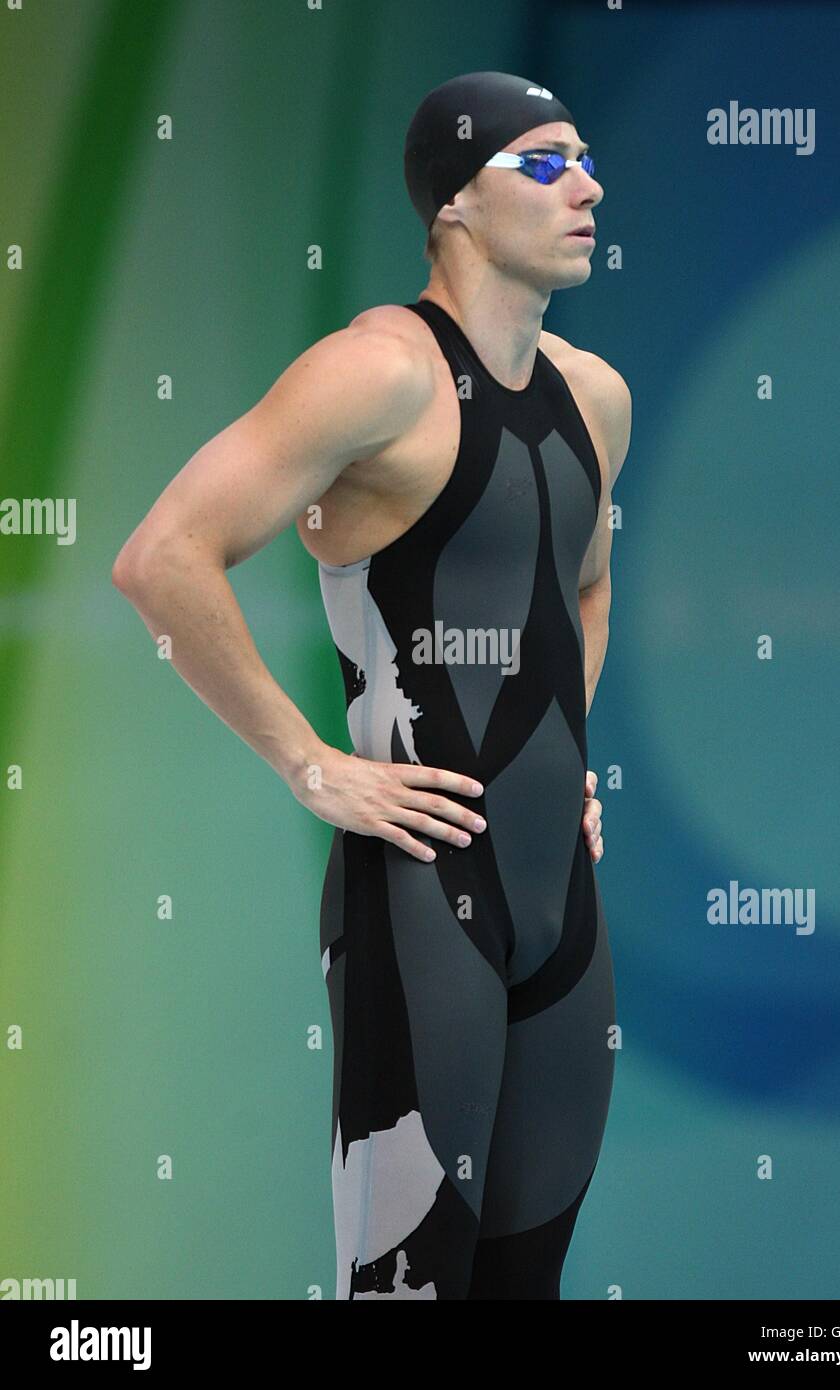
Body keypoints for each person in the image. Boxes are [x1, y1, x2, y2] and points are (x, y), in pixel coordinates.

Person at [112, 69, 632, 1300]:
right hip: (421, 894)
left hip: (561, 898)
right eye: (546, 163)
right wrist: (314, 764)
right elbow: (161, 557)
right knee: (408, 1281)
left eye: (585, 157)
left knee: (528, 1274)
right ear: (455, 200)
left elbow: (588, 585)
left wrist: (563, 756)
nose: (588, 184)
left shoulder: (595, 398)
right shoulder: (376, 374)